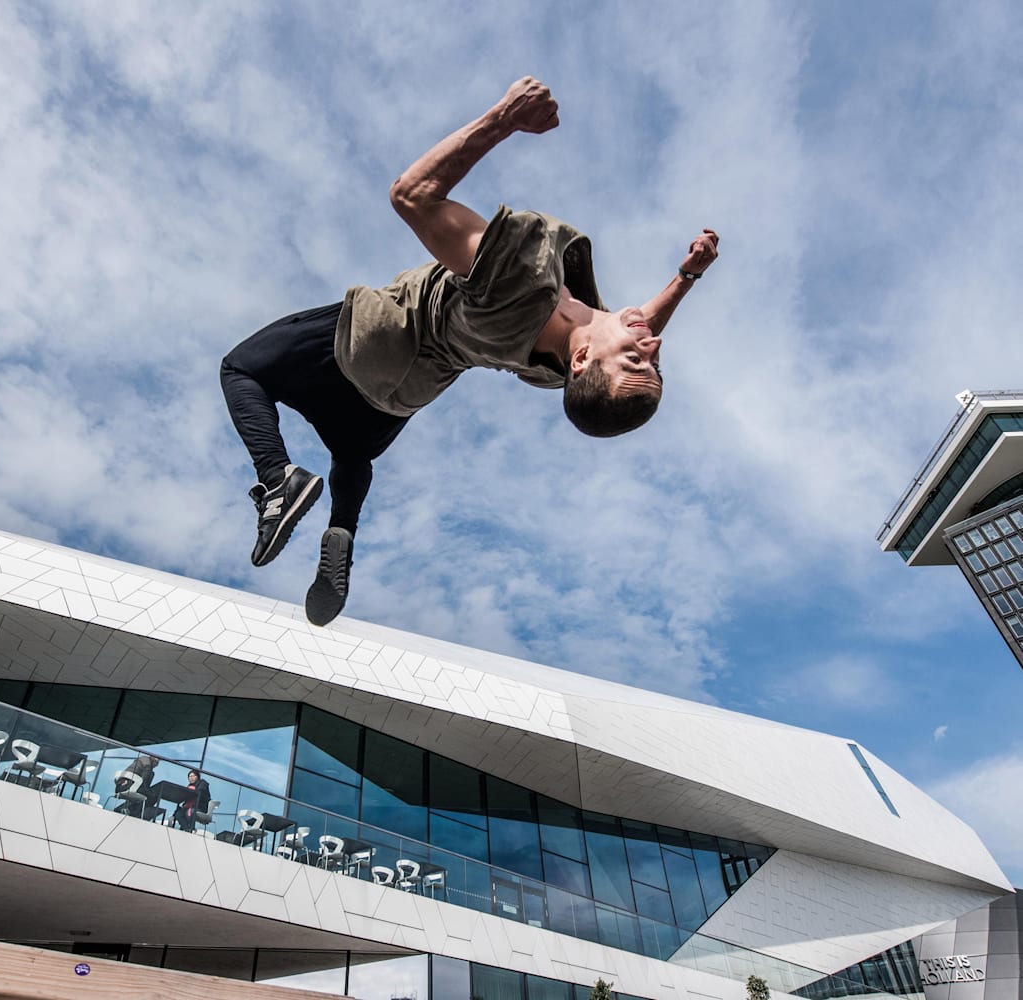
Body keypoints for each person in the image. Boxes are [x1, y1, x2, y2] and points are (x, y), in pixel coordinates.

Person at [220, 76, 719, 627]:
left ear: (583, 361)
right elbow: (639, 328)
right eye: (653, 359)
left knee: (242, 368)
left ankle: (276, 481)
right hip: (405, 393)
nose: (651, 343)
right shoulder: (560, 372)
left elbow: (410, 195)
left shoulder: (518, 285)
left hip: (376, 337)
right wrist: (685, 277)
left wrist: (505, 117)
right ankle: (342, 531)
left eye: (635, 358)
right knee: (351, 453)